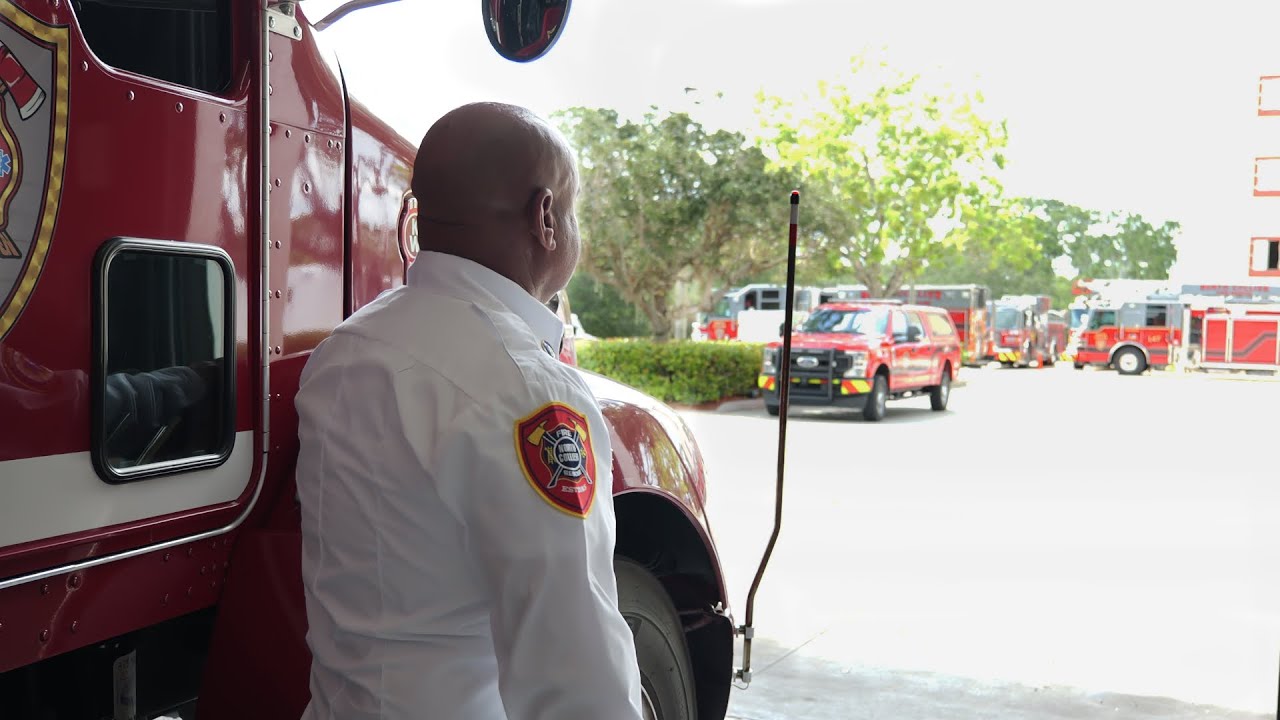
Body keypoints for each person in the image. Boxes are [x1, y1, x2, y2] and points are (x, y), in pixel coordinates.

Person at [294, 102, 643, 720]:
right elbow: (576, 673)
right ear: (545, 218)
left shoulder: (345, 350)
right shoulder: (529, 390)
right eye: (574, 207)